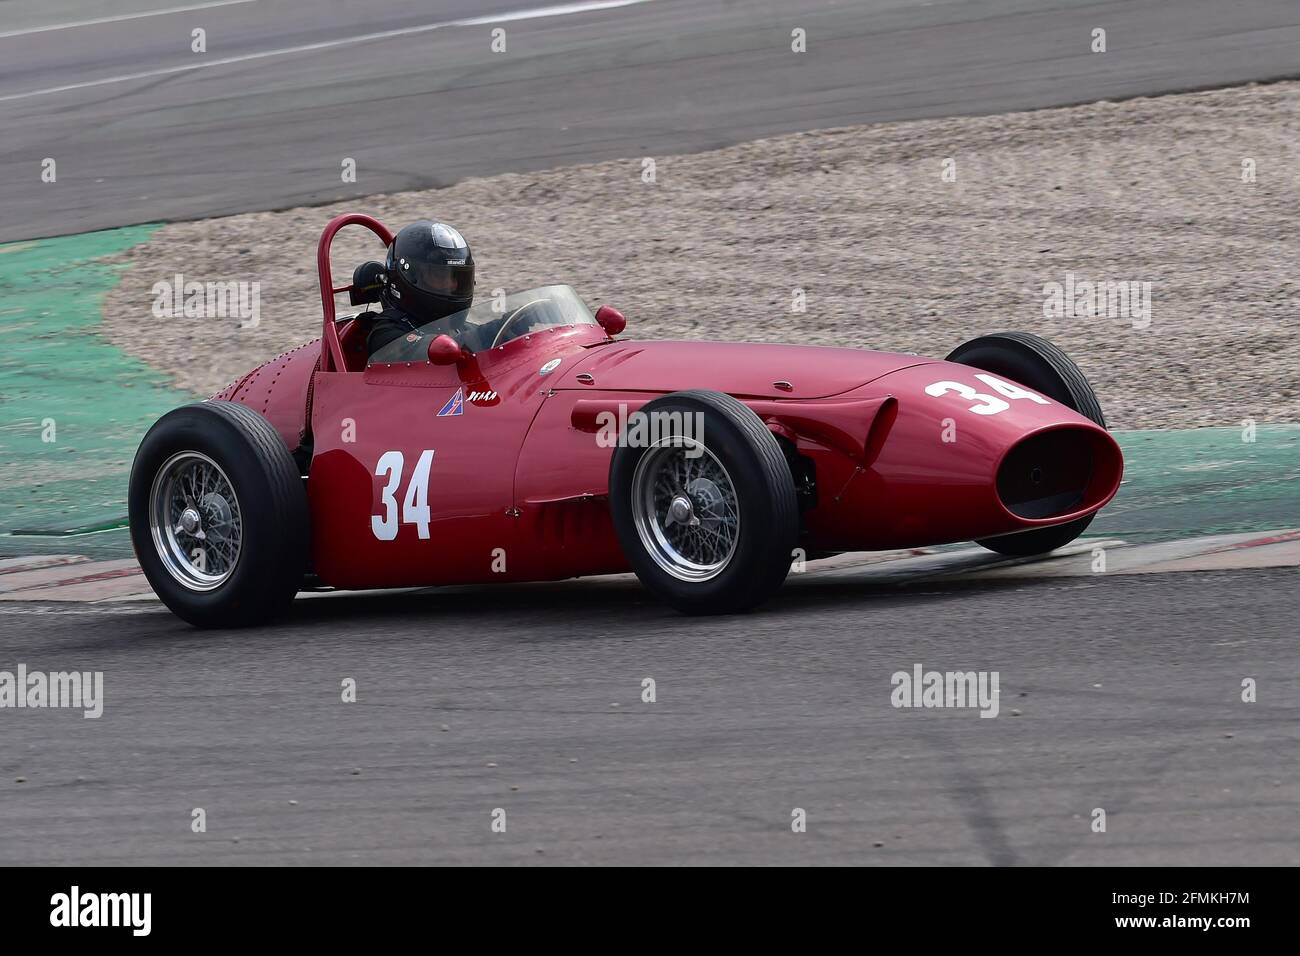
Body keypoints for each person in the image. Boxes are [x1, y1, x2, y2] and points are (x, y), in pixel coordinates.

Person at [366, 220, 475, 357]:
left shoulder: (461, 329)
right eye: (440, 275)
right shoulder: (386, 336)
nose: (452, 284)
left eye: (458, 277)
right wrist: (483, 337)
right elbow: (430, 350)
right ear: (407, 276)